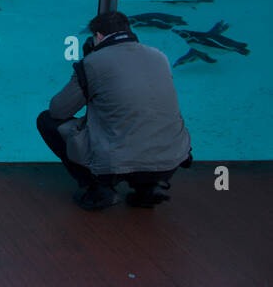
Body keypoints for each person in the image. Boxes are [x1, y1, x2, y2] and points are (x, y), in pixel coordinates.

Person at [38, 11, 193, 210]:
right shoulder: (159, 56)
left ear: (99, 36)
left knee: (46, 121)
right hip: (173, 156)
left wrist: (86, 68)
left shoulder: (92, 63)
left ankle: (98, 189)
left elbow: (59, 110)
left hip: (116, 163)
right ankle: (149, 187)